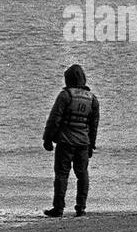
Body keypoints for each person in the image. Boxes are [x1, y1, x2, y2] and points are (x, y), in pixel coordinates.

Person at [42, 64, 100, 218]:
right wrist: (91, 145)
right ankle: (81, 207)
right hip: (83, 142)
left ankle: (58, 208)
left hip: (65, 141)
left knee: (61, 175)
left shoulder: (65, 96)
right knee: (82, 174)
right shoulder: (92, 99)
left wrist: (47, 138)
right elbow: (94, 126)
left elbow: (54, 119)